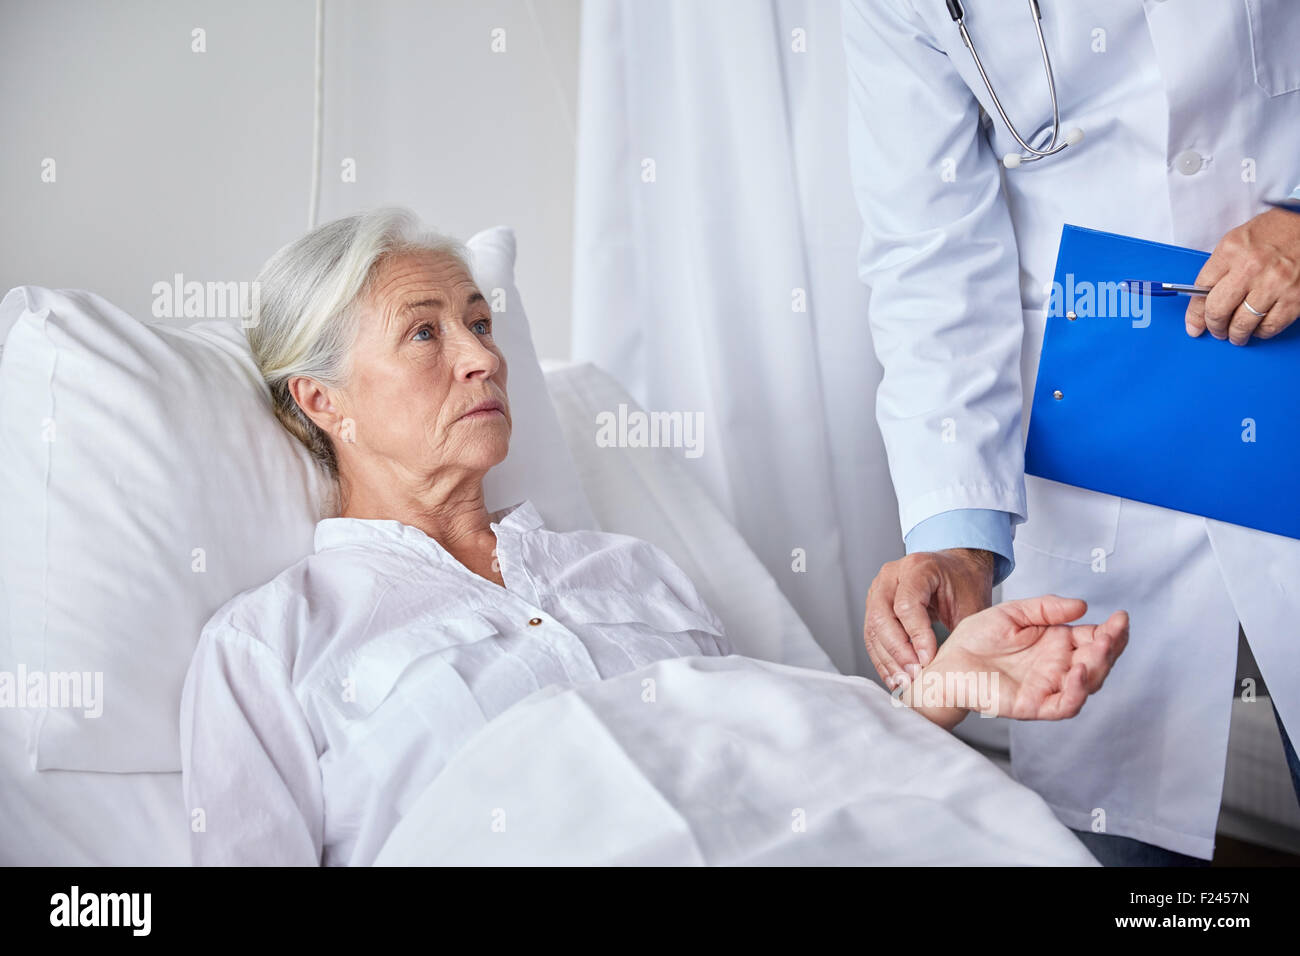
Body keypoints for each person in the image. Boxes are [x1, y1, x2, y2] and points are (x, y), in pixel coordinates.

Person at [179, 208, 1128, 865]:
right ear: (322, 399)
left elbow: (777, 769)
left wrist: (940, 691)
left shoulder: (627, 569)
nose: (483, 356)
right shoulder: (271, 647)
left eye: (479, 320)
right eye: (426, 335)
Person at [842, 0, 1300, 865]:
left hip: (1286, 369)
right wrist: (957, 540)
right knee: (1131, 849)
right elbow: (927, 257)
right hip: (1098, 440)